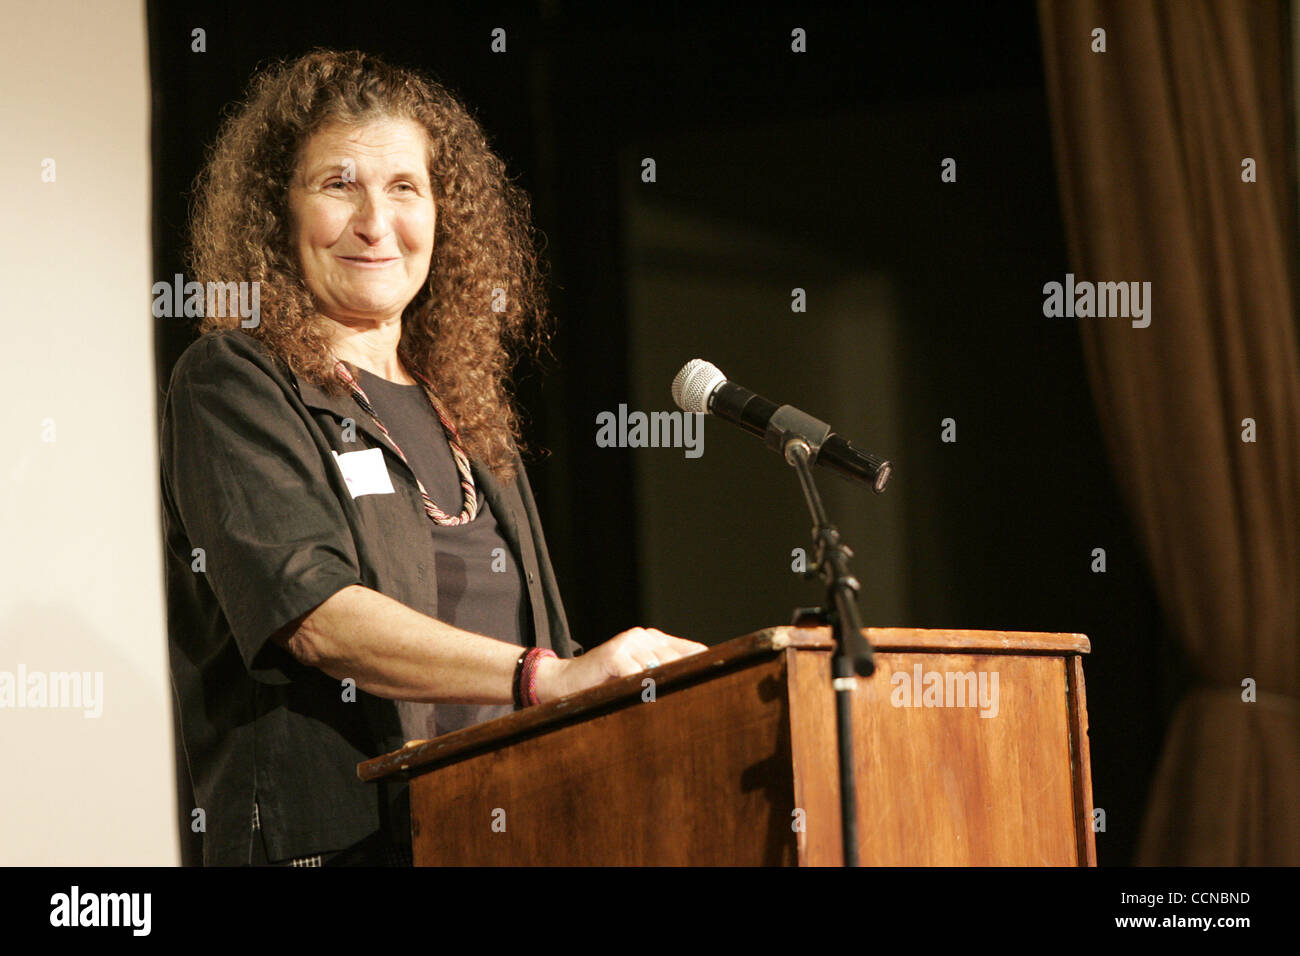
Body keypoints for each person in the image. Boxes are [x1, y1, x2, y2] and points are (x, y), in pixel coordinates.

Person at [161, 49, 705, 867]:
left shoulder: (467, 409)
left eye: (405, 188)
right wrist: (546, 675)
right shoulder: (233, 381)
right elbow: (316, 616)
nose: (376, 222)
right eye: (339, 184)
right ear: (277, 210)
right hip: (340, 845)